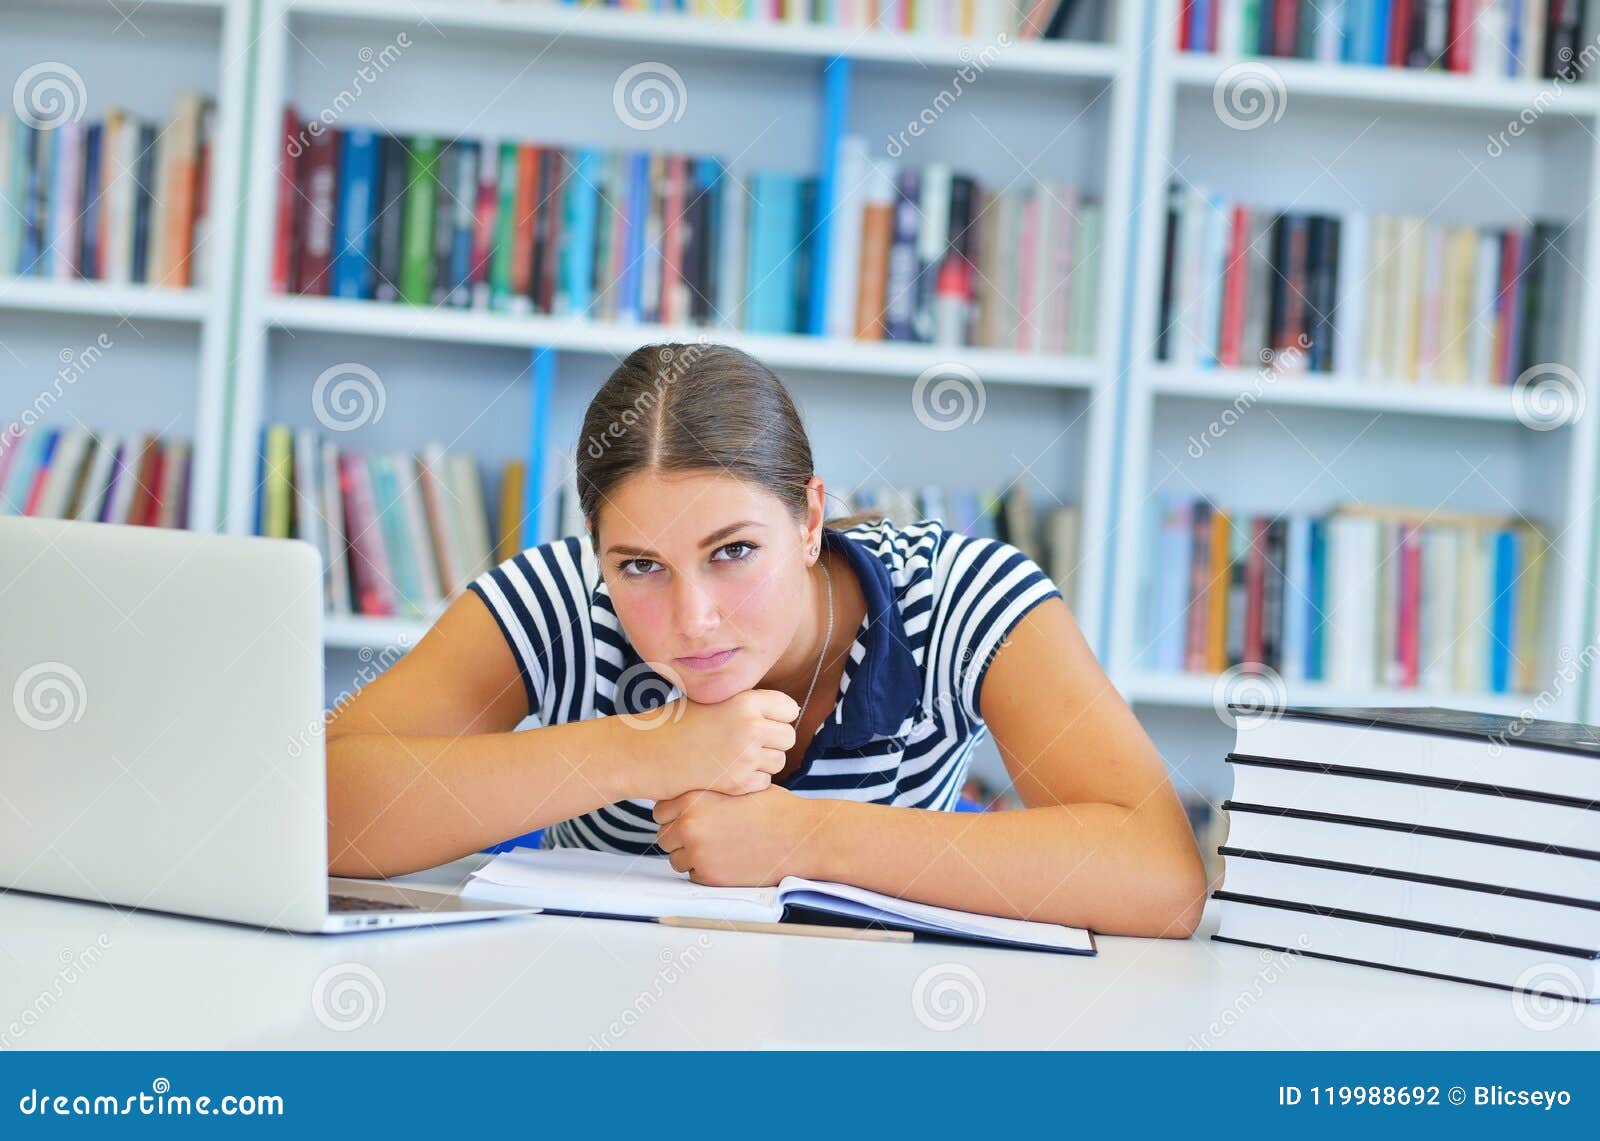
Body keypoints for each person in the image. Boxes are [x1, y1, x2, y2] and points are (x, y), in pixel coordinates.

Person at [325, 342, 1207, 937]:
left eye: (734, 551)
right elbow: (306, 808)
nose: (693, 617)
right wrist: (645, 749)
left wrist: (806, 840)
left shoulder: (958, 597)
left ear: (811, 517)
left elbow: (1158, 871)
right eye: (638, 566)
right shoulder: (560, 598)